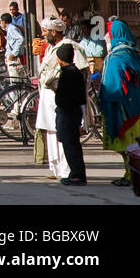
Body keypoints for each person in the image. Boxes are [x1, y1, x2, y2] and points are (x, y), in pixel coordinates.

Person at [36, 17, 87, 181]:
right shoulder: (51, 48)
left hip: (64, 98)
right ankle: (56, 167)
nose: (43, 35)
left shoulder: (70, 47)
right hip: (50, 97)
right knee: (52, 132)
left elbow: (80, 71)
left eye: (45, 31)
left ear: (53, 32)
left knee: (66, 136)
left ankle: (68, 170)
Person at [99, 18, 140, 187]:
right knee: (132, 146)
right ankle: (131, 173)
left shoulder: (117, 57)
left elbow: (113, 83)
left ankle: (130, 175)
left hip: (121, 109)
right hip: (133, 109)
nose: (107, 37)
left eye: (110, 33)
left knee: (126, 145)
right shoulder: (131, 52)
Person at [52, 43, 87, 186]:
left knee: (70, 145)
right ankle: (76, 173)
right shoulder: (75, 72)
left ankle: (77, 175)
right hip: (74, 112)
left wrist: (57, 94)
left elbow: (63, 97)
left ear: (61, 58)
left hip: (67, 113)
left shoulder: (68, 73)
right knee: (72, 144)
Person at [3, 10, 26, 83]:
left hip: (14, 59)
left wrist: (13, 53)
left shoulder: (11, 28)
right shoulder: (10, 28)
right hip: (13, 58)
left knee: (15, 82)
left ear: (4, 21)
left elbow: (20, 39)